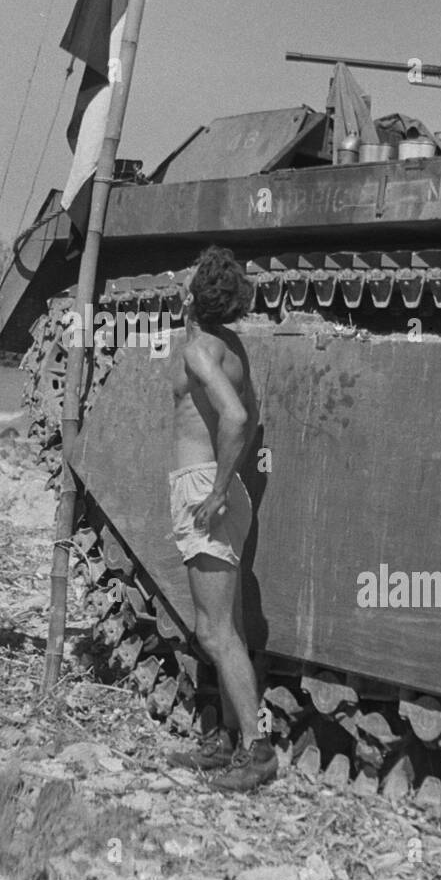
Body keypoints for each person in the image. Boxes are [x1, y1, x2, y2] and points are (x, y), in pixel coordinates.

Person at [166, 245, 275, 790]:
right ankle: (226, 740)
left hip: (204, 488)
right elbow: (251, 417)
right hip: (221, 488)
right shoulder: (232, 348)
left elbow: (234, 416)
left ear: (194, 294)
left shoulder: (200, 352)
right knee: (223, 626)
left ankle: (257, 750)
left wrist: (215, 487)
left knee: (213, 631)